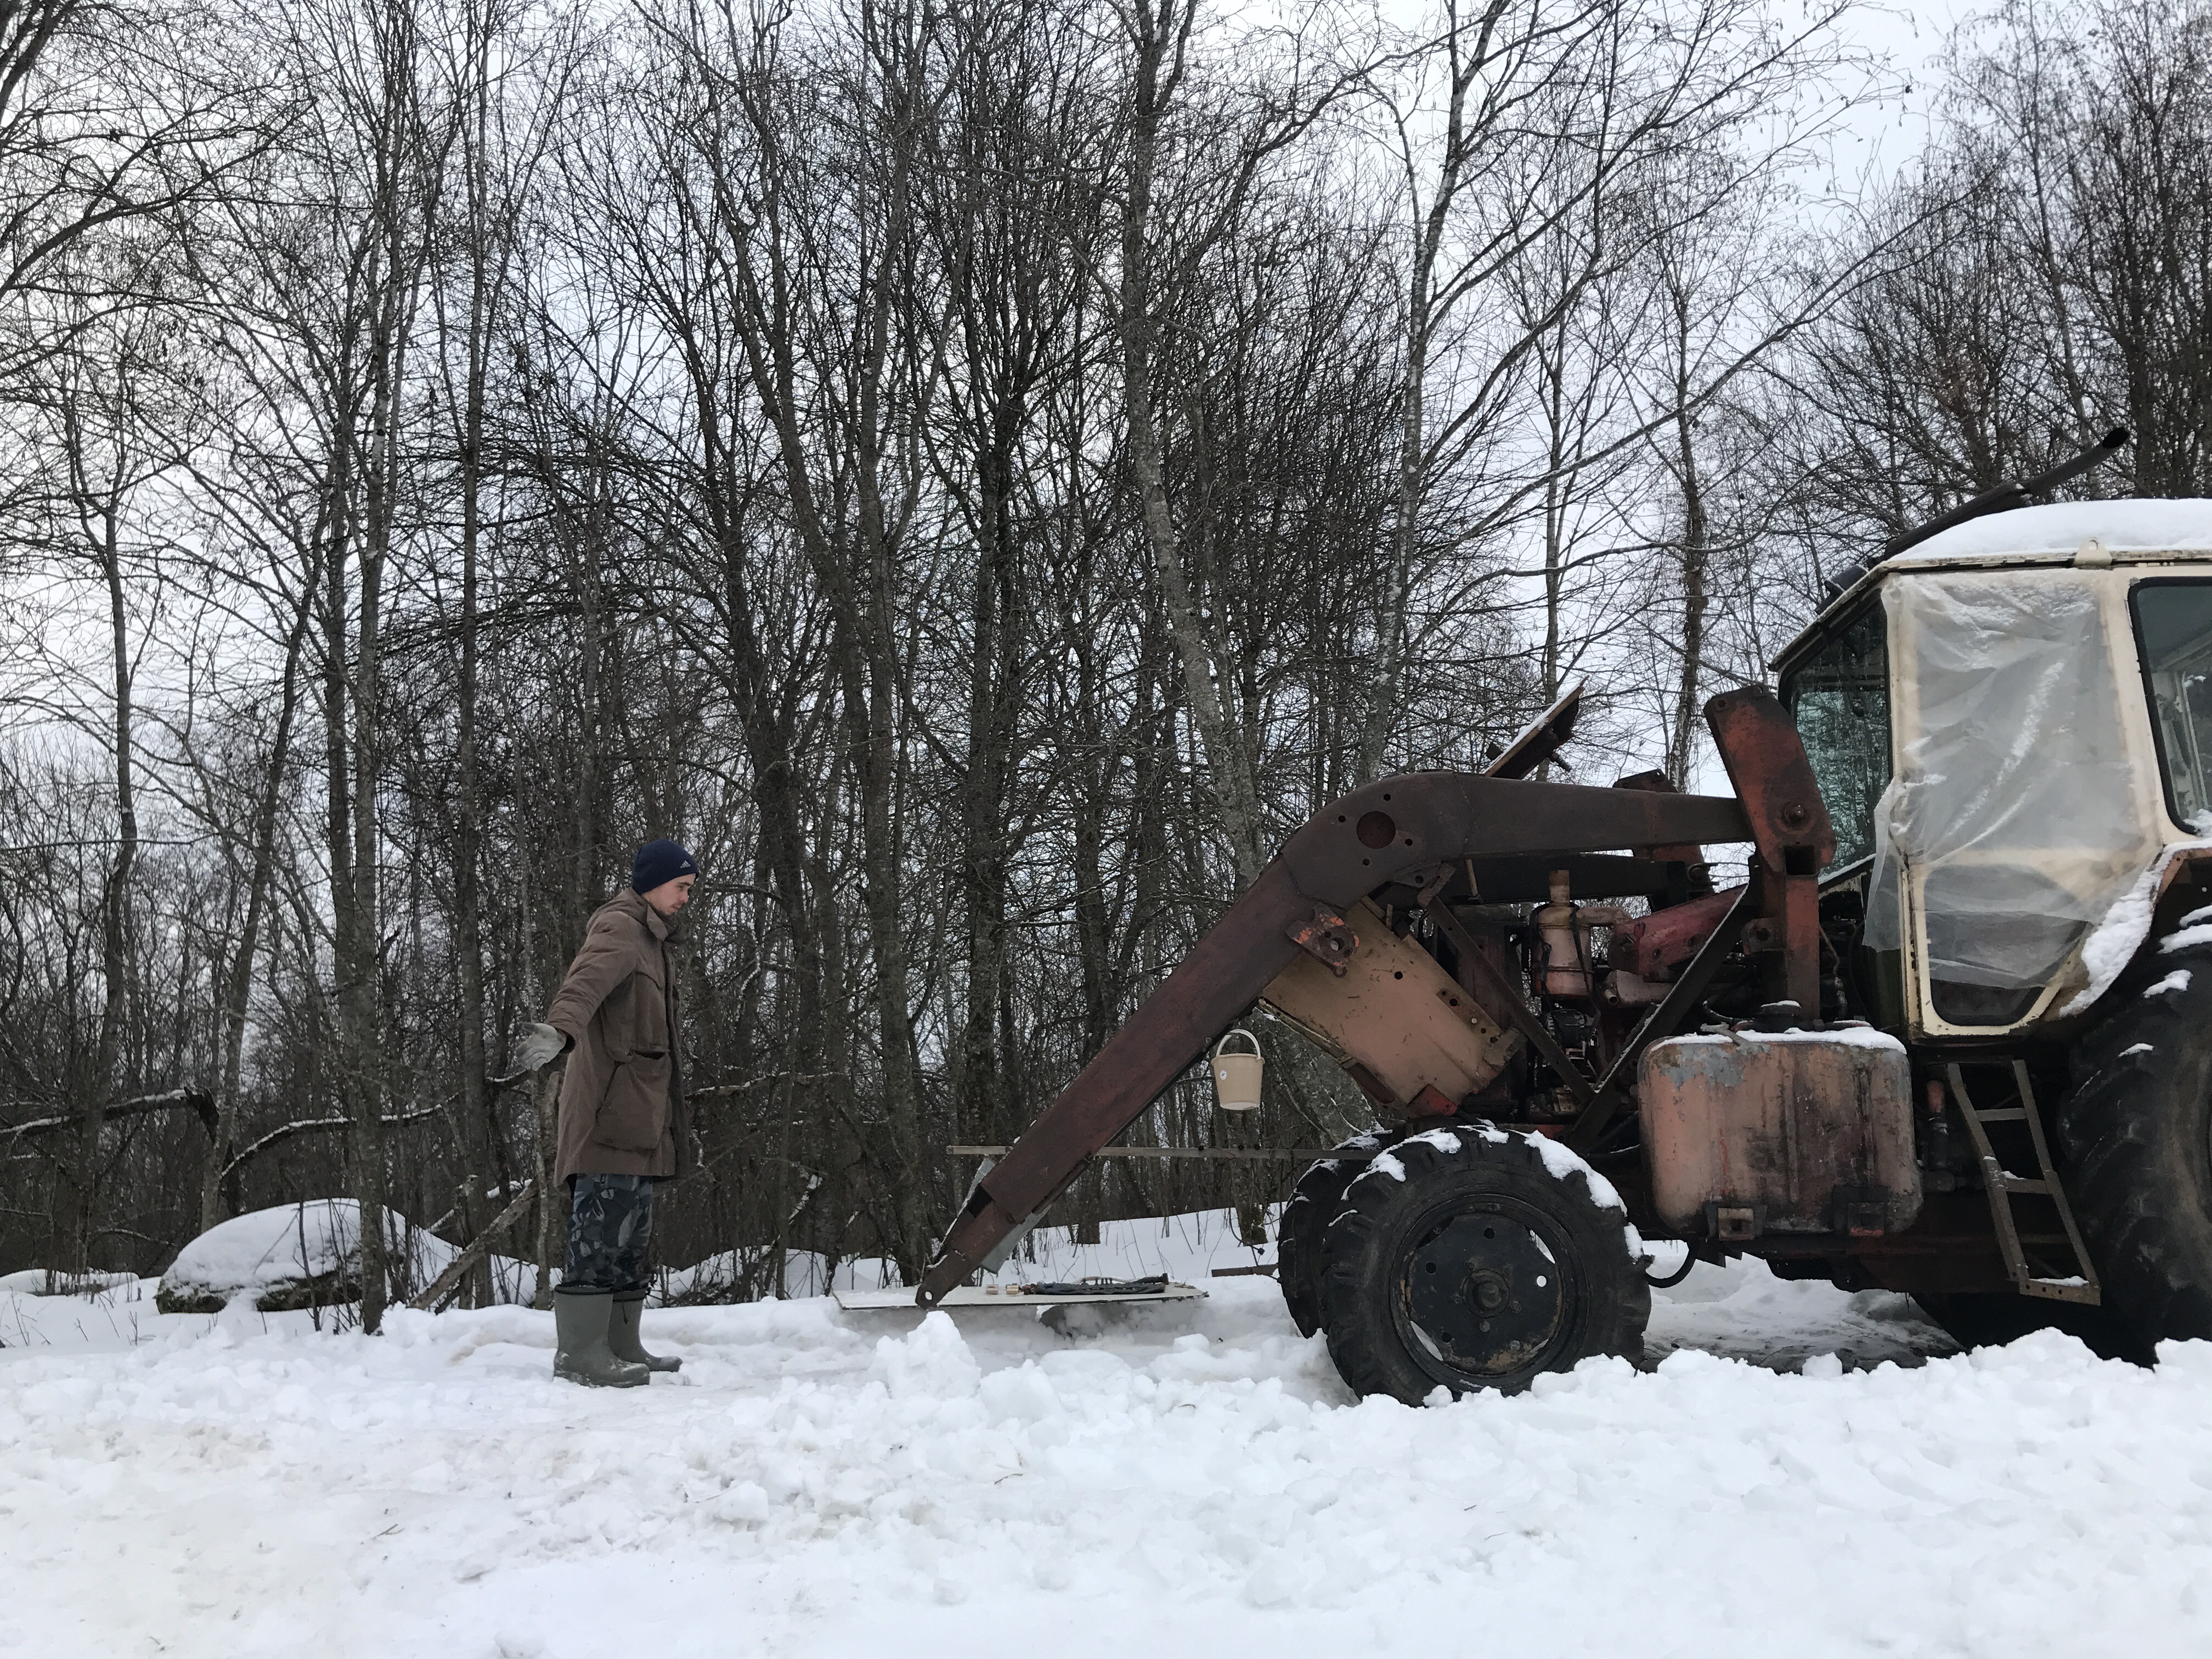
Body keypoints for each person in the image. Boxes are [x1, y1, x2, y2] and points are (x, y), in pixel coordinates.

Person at [514, 838, 698, 1387]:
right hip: (606, 1117)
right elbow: (584, 984)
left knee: (630, 1235)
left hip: (640, 1120)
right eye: (681, 887)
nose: (687, 898)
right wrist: (560, 1030)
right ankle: (579, 1353)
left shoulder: (655, 942)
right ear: (653, 883)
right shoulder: (620, 927)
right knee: (599, 1236)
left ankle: (621, 1343)